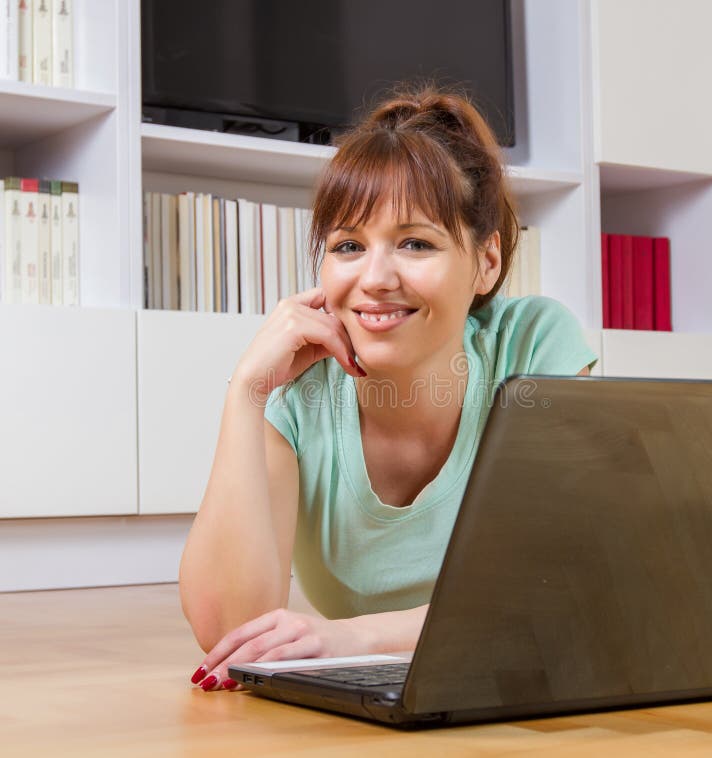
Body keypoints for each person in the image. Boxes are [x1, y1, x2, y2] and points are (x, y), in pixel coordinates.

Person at [179, 83, 599, 692]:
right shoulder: (298, 398)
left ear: (486, 261)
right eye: (348, 245)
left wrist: (354, 638)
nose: (374, 279)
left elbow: (564, 595)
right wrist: (246, 393)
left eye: (415, 243)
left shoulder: (533, 347)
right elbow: (233, 633)